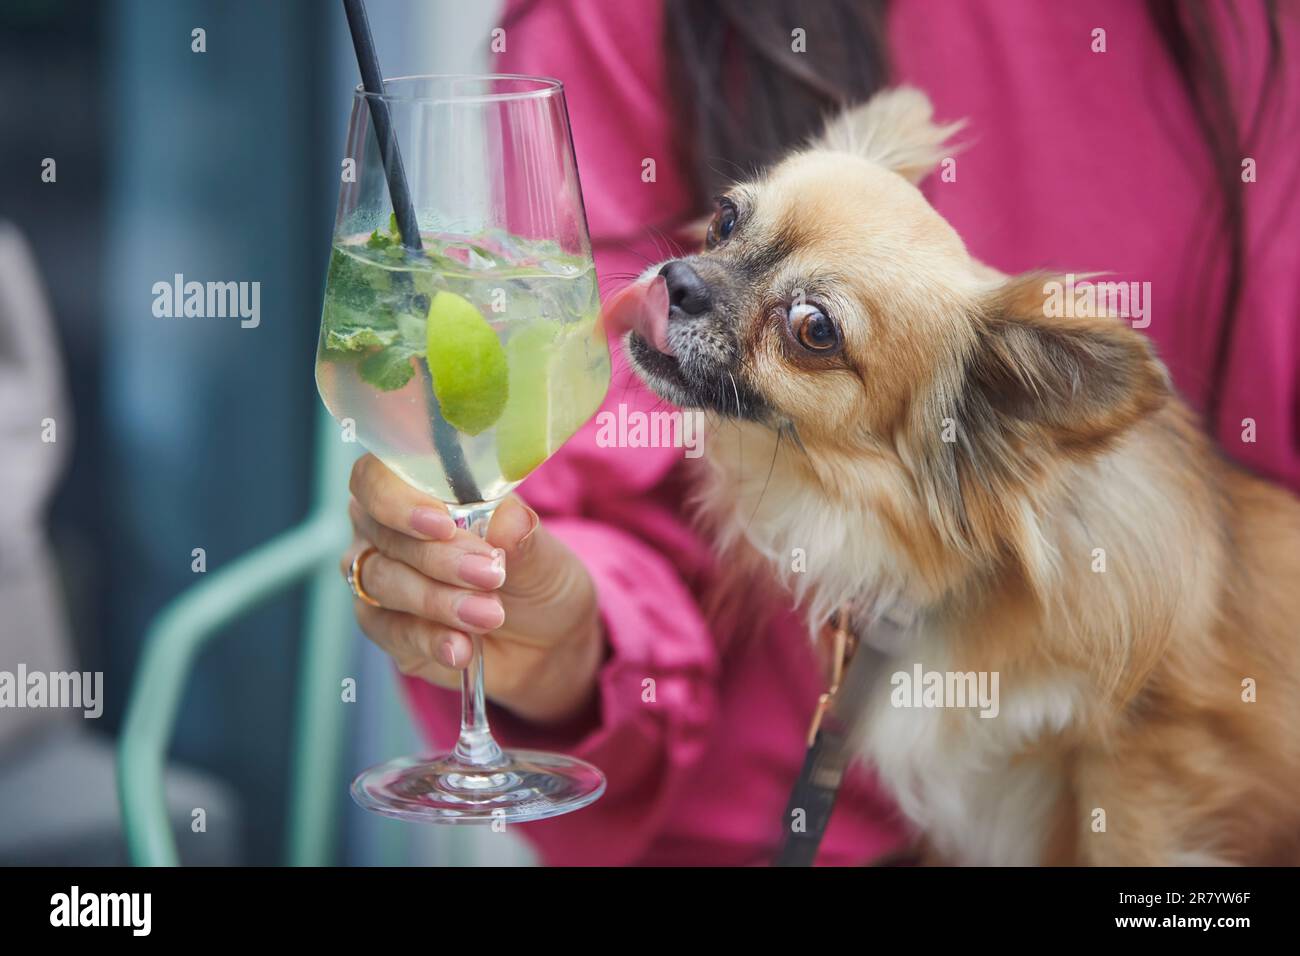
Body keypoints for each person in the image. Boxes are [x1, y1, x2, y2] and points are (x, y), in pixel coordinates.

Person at [341, 0, 1298, 865]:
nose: (692, 279)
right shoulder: (622, 21)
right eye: (728, 226)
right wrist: (561, 637)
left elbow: (1181, 758)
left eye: (811, 331)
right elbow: (578, 480)